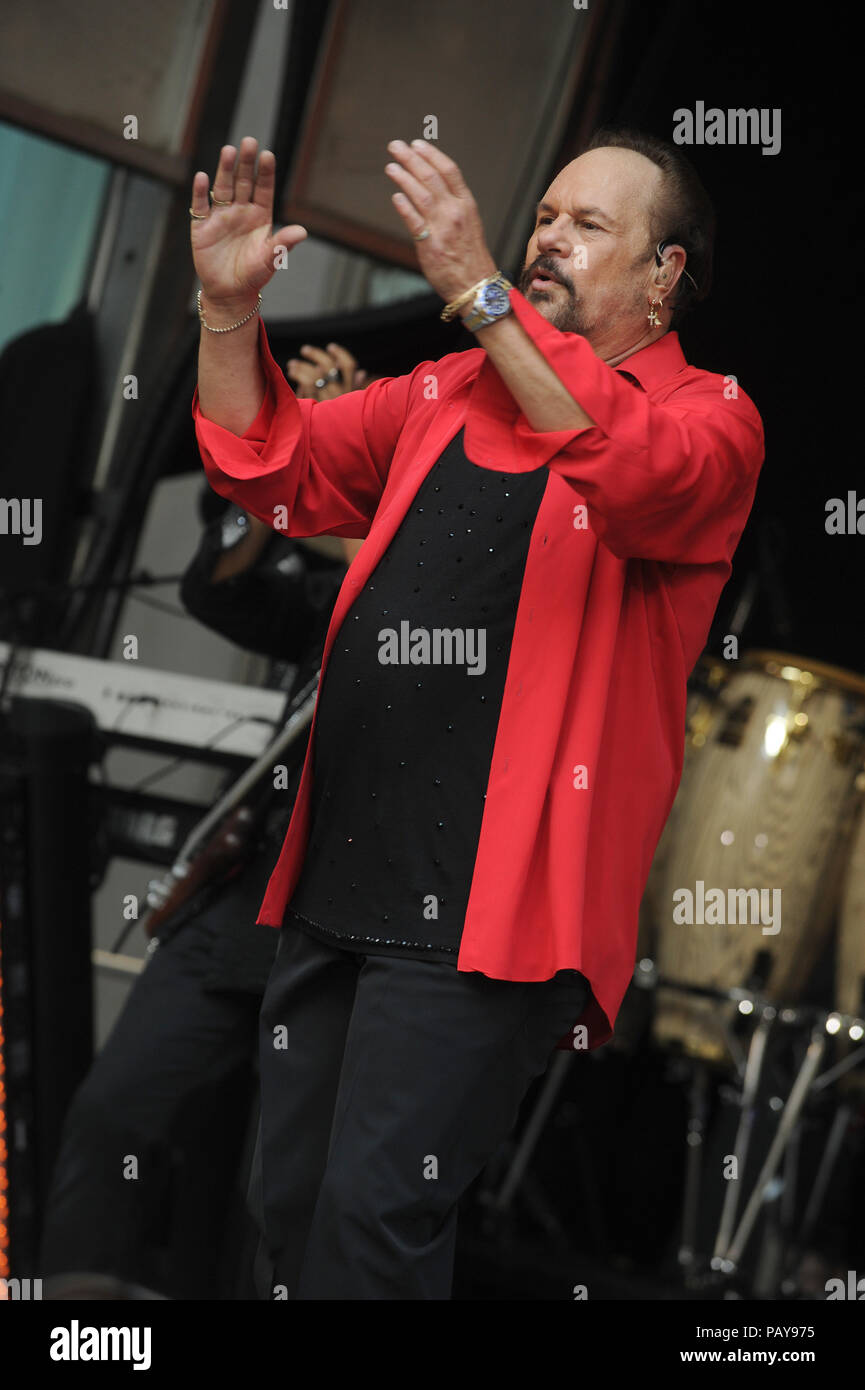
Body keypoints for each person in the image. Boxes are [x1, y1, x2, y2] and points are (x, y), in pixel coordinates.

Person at [190, 126, 764, 1300]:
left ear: (666, 278)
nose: (550, 235)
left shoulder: (712, 419)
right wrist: (226, 315)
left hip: (491, 917)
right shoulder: (451, 389)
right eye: (544, 215)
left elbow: (628, 465)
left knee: (371, 1219)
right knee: (288, 1211)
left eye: (588, 225)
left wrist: (481, 289)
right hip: (345, 868)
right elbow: (275, 466)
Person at [39, 344, 367, 1300]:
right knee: (112, 1114)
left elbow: (383, 562)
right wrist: (285, 455)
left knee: (278, 1192)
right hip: (244, 892)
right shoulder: (315, 580)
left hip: (350, 924)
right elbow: (216, 585)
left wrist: (327, 455)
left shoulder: (425, 557)